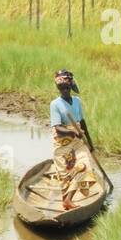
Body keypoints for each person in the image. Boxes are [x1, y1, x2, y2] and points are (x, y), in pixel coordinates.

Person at [49, 69, 97, 211]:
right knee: (66, 175)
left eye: (66, 87)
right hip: (62, 142)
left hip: (77, 142)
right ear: (59, 88)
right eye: (61, 88)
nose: (64, 90)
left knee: (83, 166)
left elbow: (82, 123)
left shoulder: (76, 101)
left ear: (70, 87)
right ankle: (66, 201)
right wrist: (73, 132)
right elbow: (57, 128)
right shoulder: (55, 104)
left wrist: (90, 142)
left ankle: (68, 200)